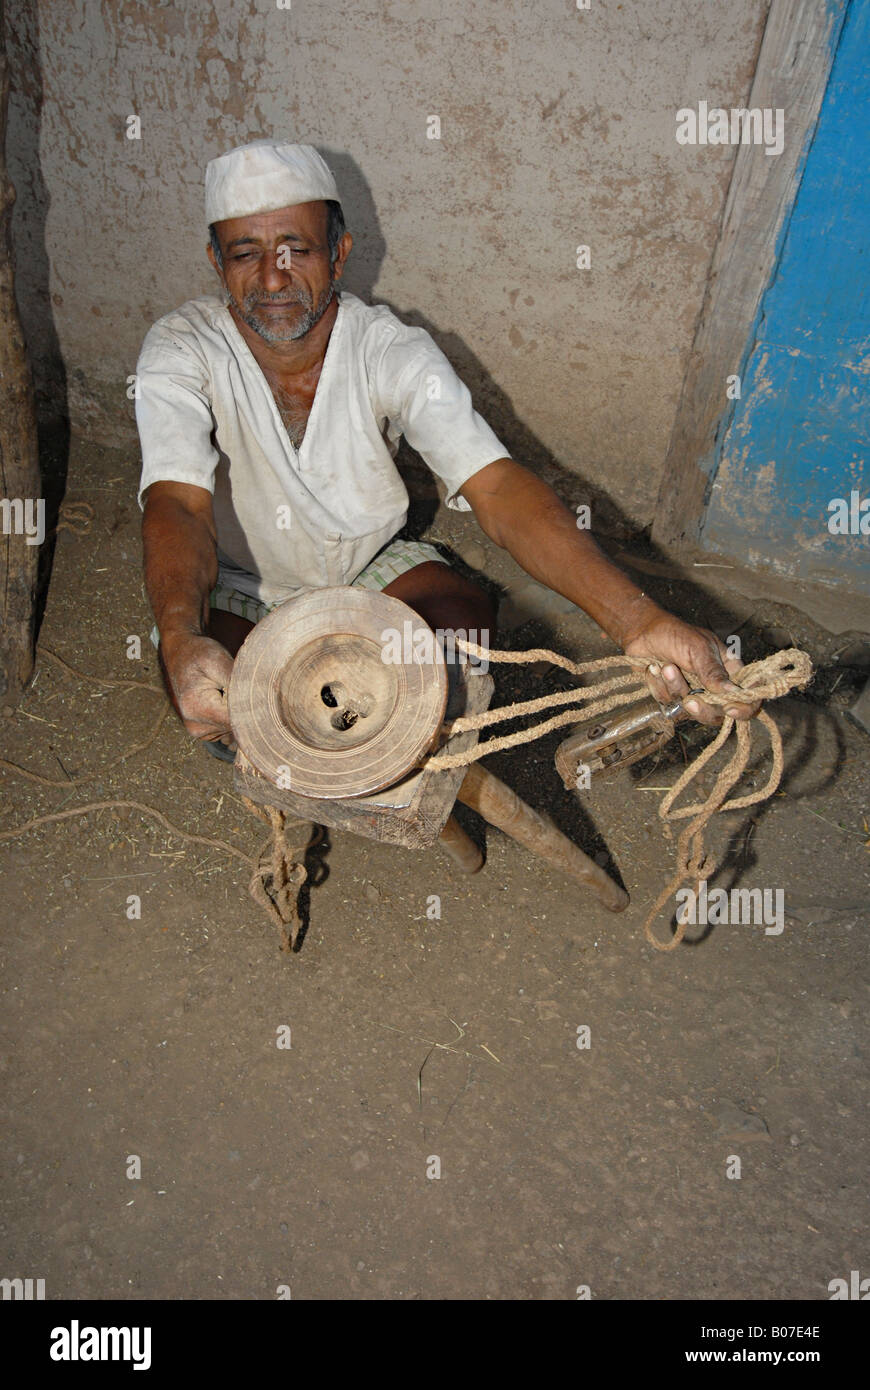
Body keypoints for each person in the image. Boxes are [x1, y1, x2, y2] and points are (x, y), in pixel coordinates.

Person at [137, 139, 757, 757]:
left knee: (452, 648)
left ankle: (391, 742)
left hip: (368, 566)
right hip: (240, 582)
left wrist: (636, 620)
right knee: (236, 703)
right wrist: (178, 635)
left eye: (296, 249)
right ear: (217, 264)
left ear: (339, 254)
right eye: (246, 254)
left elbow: (494, 486)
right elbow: (178, 504)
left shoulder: (391, 351)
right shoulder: (182, 350)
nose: (273, 277)